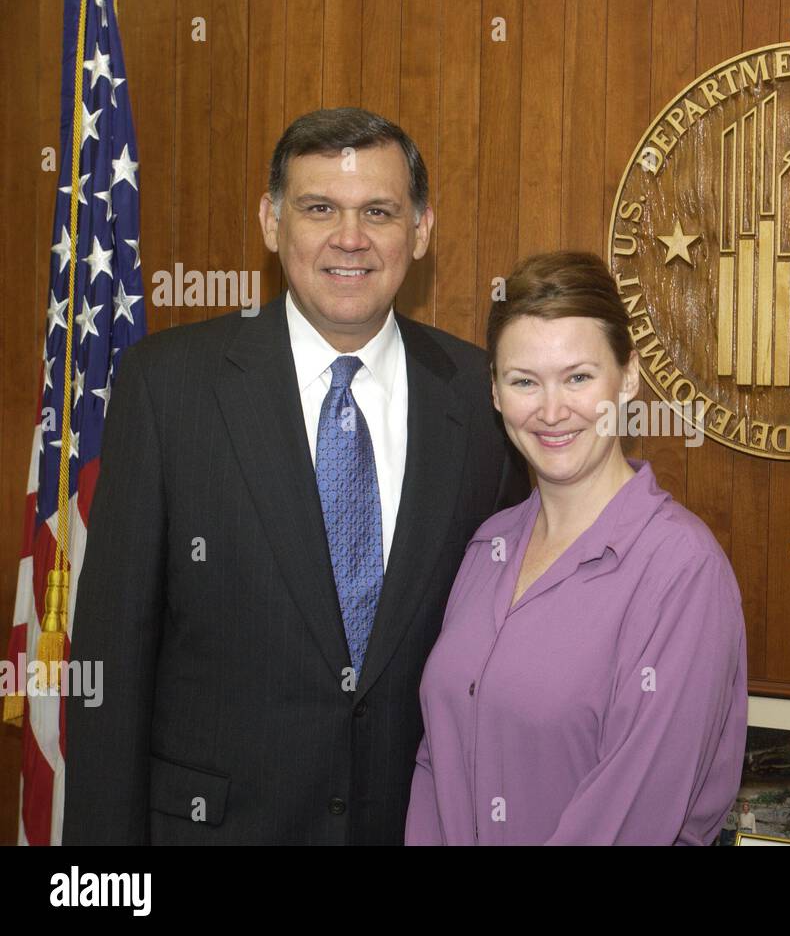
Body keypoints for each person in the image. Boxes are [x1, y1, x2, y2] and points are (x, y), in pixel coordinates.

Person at [64, 108, 530, 844]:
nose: (351, 238)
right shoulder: (170, 386)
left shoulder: (483, 398)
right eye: (320, 209)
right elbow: (109, 663)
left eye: (379, 211)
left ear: (421, 229)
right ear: (272, 222)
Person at [404, 251, 748, 845]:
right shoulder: (488, 547)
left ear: (630, 377)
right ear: (494, 392)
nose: (552, 410)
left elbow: (632, 818)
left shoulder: (681, 572)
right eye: (524, 382)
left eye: (579, 377)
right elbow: (436, 766)